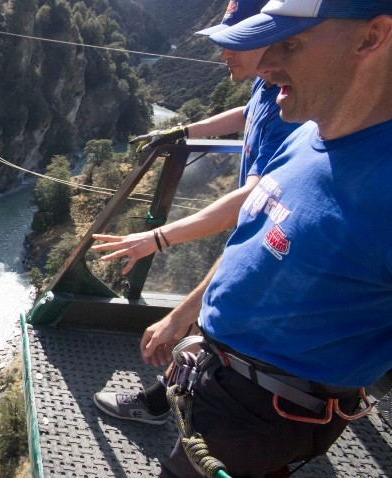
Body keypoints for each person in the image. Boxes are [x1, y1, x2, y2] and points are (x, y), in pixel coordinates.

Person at [145, 1, 392, 476]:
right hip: (228, 383)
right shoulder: (306, 135)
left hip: (263, 415)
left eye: (291, 44)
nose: (266, 63)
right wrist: (192, 320)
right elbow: (255, 236)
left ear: (371, 38)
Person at [91, 0, 301, 426]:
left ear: (270, 41)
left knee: (217, 321)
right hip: (262, 227)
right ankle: (175, 404)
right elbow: (246, 115)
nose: (223, 53)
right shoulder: (271, 85)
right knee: (217, 319)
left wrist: (158, 238)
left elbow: (253, 197)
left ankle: (171, 409)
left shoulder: (294, 112)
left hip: (267, 231)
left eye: (235, 43)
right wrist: (183, 131)